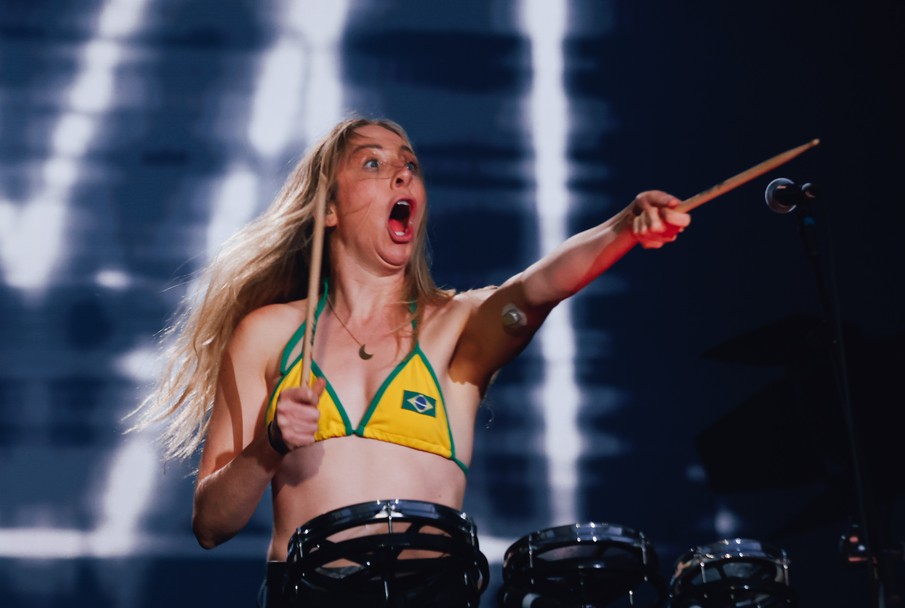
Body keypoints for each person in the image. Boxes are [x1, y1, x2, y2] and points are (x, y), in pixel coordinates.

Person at [129, 116, 690, 606]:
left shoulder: (456, 324)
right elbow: (211, 524)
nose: (402, 173)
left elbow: (539, 287)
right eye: (373, 163)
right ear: (328, 208)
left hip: (432, 592)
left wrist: (623, 226)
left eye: (410, 164)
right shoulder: (269, 333)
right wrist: (269, 444)